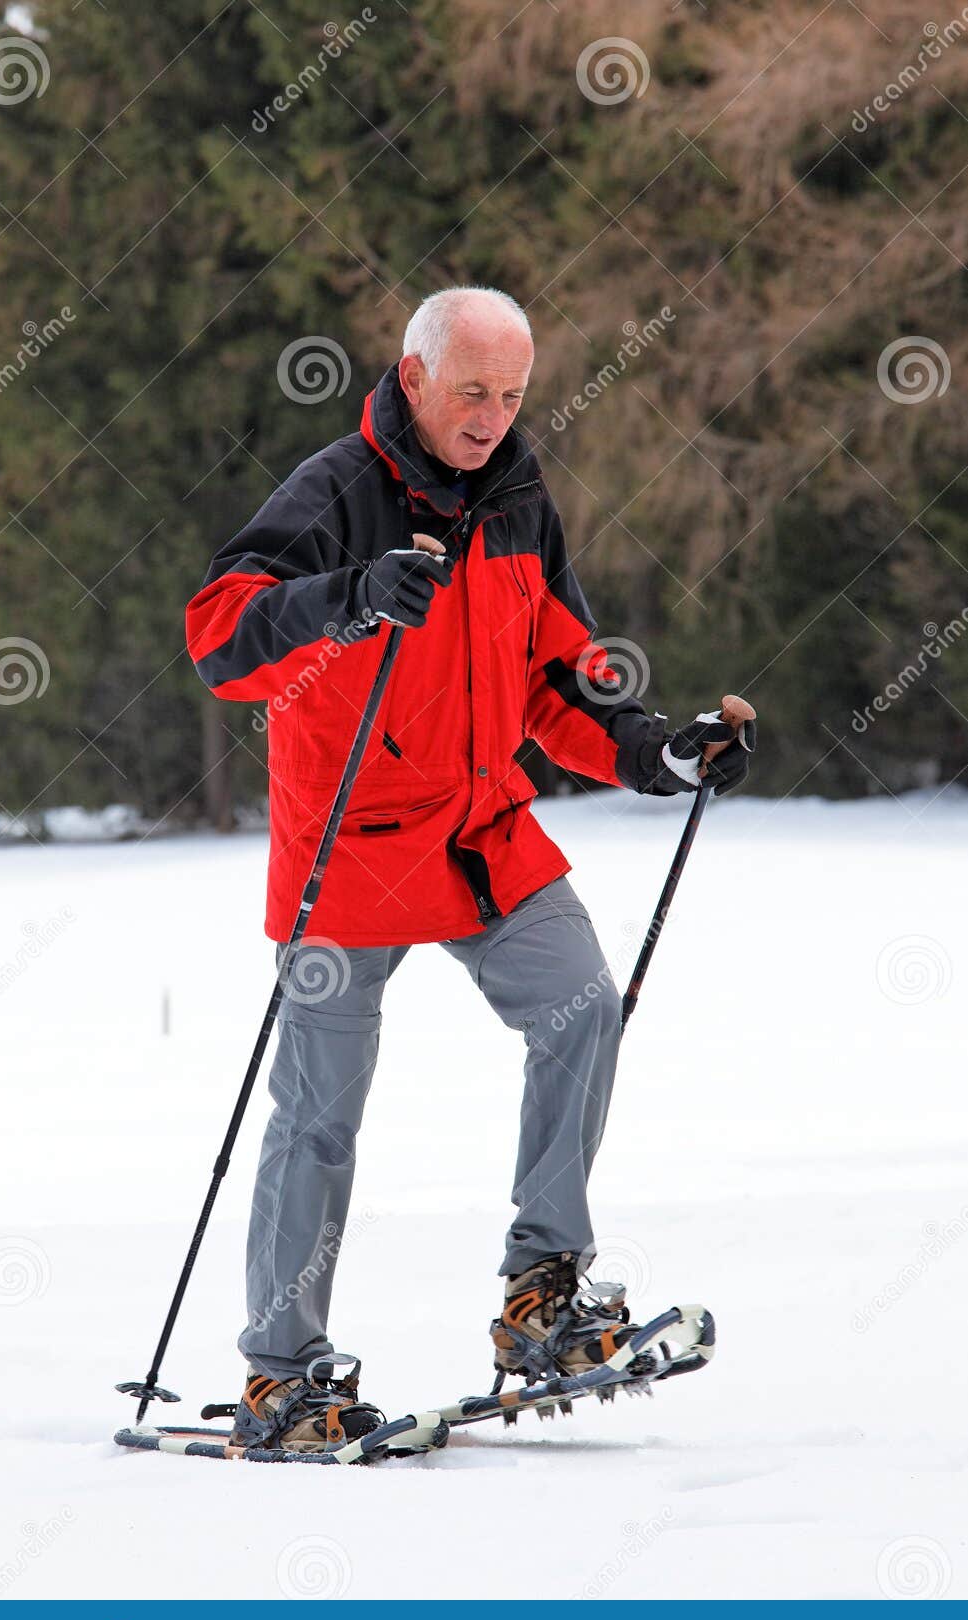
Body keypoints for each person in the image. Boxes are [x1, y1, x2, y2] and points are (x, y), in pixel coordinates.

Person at [185, 285, 754, 1455]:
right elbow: (218, 636)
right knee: (319, 1120)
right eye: (471, 393)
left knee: (583, 1006)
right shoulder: (336, 490)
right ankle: (279, 1378)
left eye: (511, 395)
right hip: (345, 848)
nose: (492, 418)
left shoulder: (516, 498)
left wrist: (660, 749)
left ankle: (541, 1293)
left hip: (478, 828)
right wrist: (344, 599)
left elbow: (565, 676)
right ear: (412, 376)